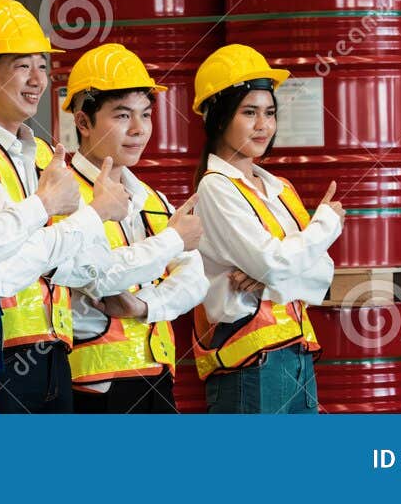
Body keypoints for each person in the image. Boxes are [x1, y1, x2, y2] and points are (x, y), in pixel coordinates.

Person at [0, 0, 128, 413]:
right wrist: (79, 224)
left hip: (55, 352)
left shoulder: (48, 155)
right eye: (23, 66)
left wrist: (43, 250)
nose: (38, 80)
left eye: (43, 66)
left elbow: (90, 261)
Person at [190, 43, 343, 414]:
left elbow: (323, 273)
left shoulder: (279, 188)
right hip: (249, 366)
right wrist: (327, 224)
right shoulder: (215, 188)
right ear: (219, 116)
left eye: (270, 113)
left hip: (297, 355)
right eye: (250, 113)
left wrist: (268, 280)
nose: (264, 125)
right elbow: (276, 262)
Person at [58, 43, 209, 414]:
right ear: (83, 122)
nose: (139, 130)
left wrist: (145, 305)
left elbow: (195, 280)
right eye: (123, 116)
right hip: (94, 388)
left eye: (145, 114)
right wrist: (171, 241)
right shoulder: (64, 195)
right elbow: (97, 274)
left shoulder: (152, 199)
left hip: (156, 375)